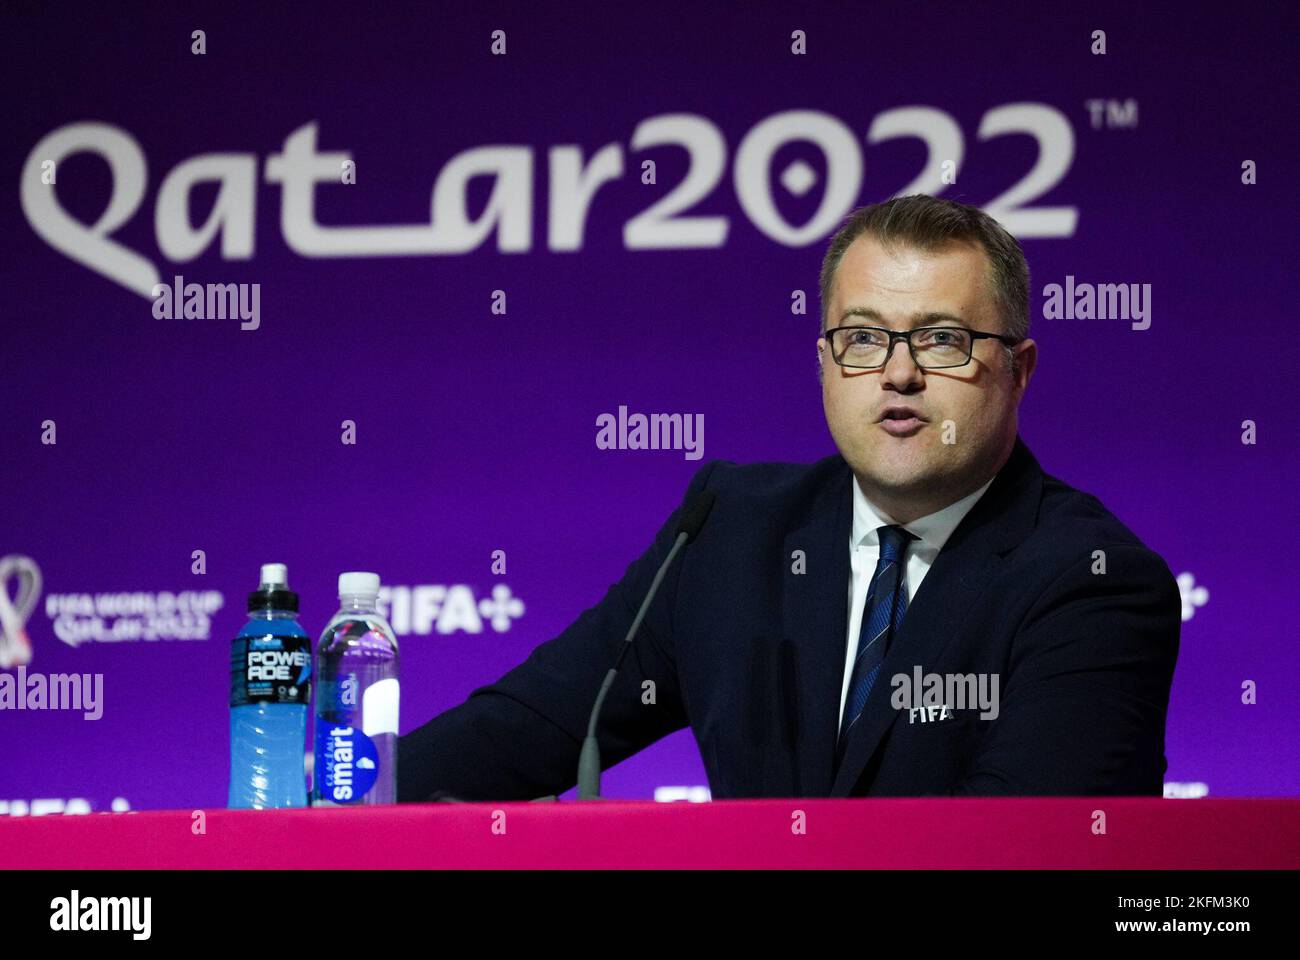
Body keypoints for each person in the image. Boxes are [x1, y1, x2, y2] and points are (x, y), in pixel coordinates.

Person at [397, 194, 1181, 800]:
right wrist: (324, 808)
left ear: (1020, 368)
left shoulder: (1093, 580)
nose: (897, 374)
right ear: (825, 361)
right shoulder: (733, 530)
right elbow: (533, 724)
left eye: (942, 338)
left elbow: (1018, 852)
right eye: (864, 337)